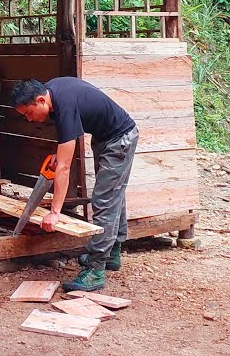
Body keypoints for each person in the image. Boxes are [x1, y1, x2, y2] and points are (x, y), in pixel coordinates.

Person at [10, 77, 138, 292]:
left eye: (29, 113)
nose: (29, 119)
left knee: (104, 201)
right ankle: (112, 253)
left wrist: (55, 213)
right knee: (113, 194)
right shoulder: (54, 95)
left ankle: (95, 269)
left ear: (40, 100)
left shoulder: (64, 105)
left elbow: (64, 168)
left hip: (119, 140)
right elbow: (67, 138)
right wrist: (58, 153)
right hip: (106, 138)